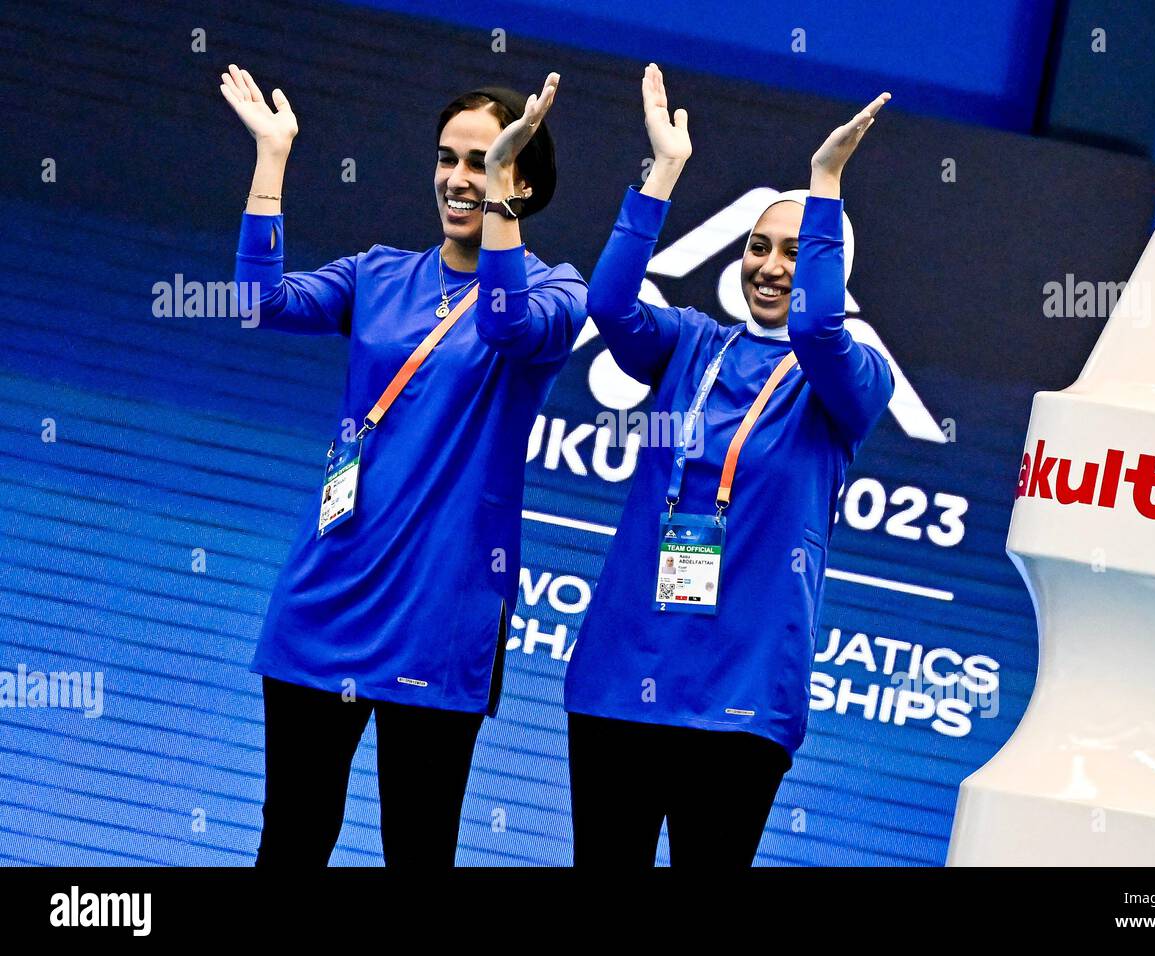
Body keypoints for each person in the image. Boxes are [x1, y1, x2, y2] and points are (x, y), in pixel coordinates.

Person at [220, 65, 586, 867]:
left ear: (522, 182)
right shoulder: (378, 272)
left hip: (439, 614)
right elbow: (257, 302)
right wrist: (273, 158)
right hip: (327, 595)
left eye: (486, 162)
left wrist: (496, 209)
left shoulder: (557, 293)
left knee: (417, 852)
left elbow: (502, 325)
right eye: (449, 159)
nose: (460, 178)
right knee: (291, 839)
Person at [563, 64, 894, 866]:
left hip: (739, 701)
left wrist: (825, 182)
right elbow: (608, 305)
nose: (770, 266)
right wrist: (662, 175)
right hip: (620, 677)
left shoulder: (849, 379)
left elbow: (818, 331)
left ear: (828, 268)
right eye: (757, 247)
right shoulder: (690, 342)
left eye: (794, 251)